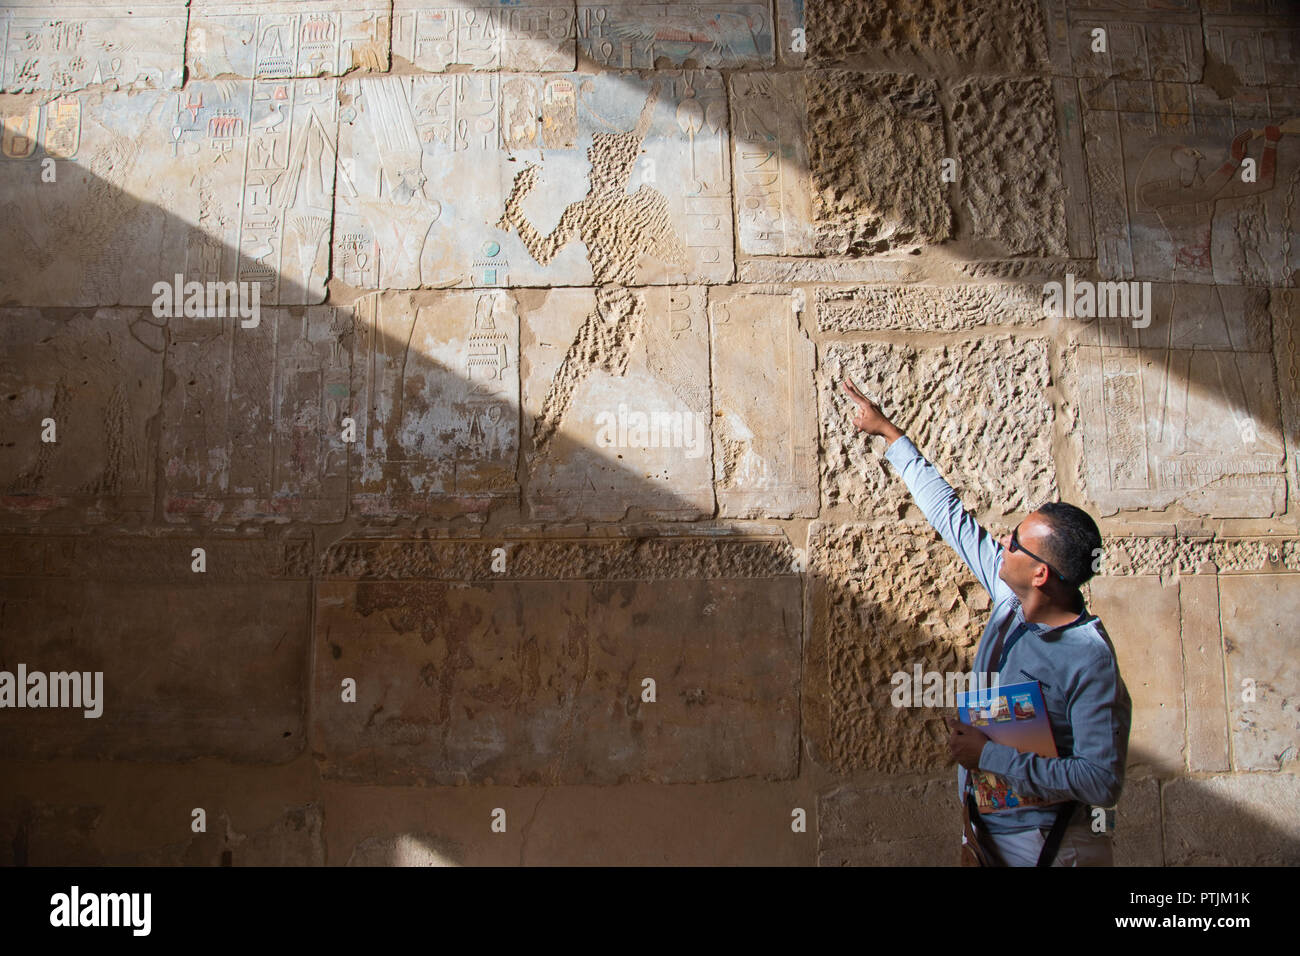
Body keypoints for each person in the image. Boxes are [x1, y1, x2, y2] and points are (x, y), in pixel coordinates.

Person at [841, 380, 1132, 866]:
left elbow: (1102, 780)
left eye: (1015, 541)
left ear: (1041, 573)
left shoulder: (1088, 657)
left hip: (1052, 849)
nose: (1001, 541)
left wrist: (990, 757)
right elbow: (949, 517)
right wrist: (888, 432)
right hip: (989, 836)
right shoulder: (1009, 600)